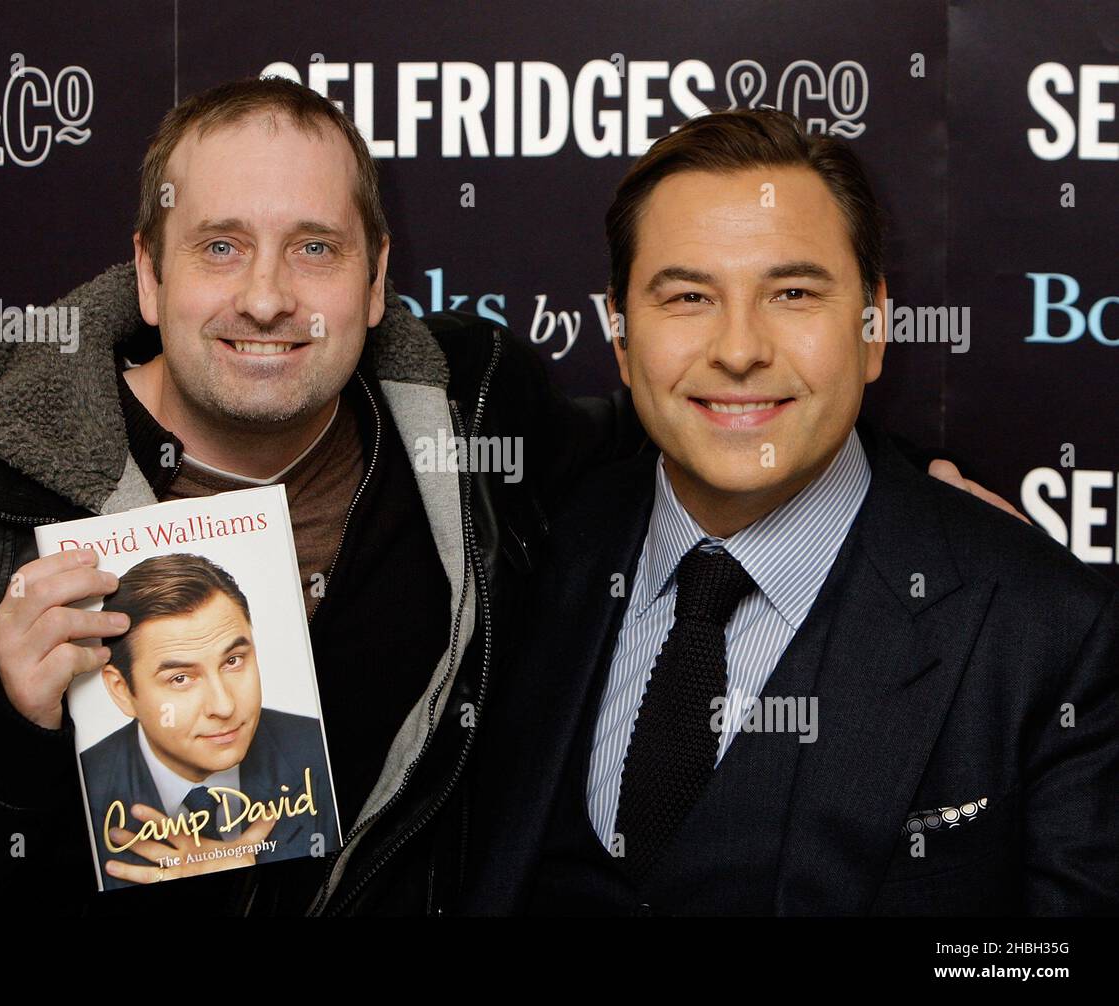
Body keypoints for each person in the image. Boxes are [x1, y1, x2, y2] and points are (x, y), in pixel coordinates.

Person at [0, 77, 1009, 917]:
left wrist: (907, 501)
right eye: (221, 246)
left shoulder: (475, 429)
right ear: (147, 268)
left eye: (317, 249)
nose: (269, 297)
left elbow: (704, 413)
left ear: (380, 278)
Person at [461, 108, 1119, 916]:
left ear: (874, 328)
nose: (740, 350)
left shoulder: (1049, 630)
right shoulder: (528, 556)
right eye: (689, 297)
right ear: (622, 338)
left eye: (794, 292)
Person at [82, 553, 336, 891]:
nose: (224, 705)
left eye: (233, 660)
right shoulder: (80, 790)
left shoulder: (320, 750)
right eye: (181, 679)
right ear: (122, 690)